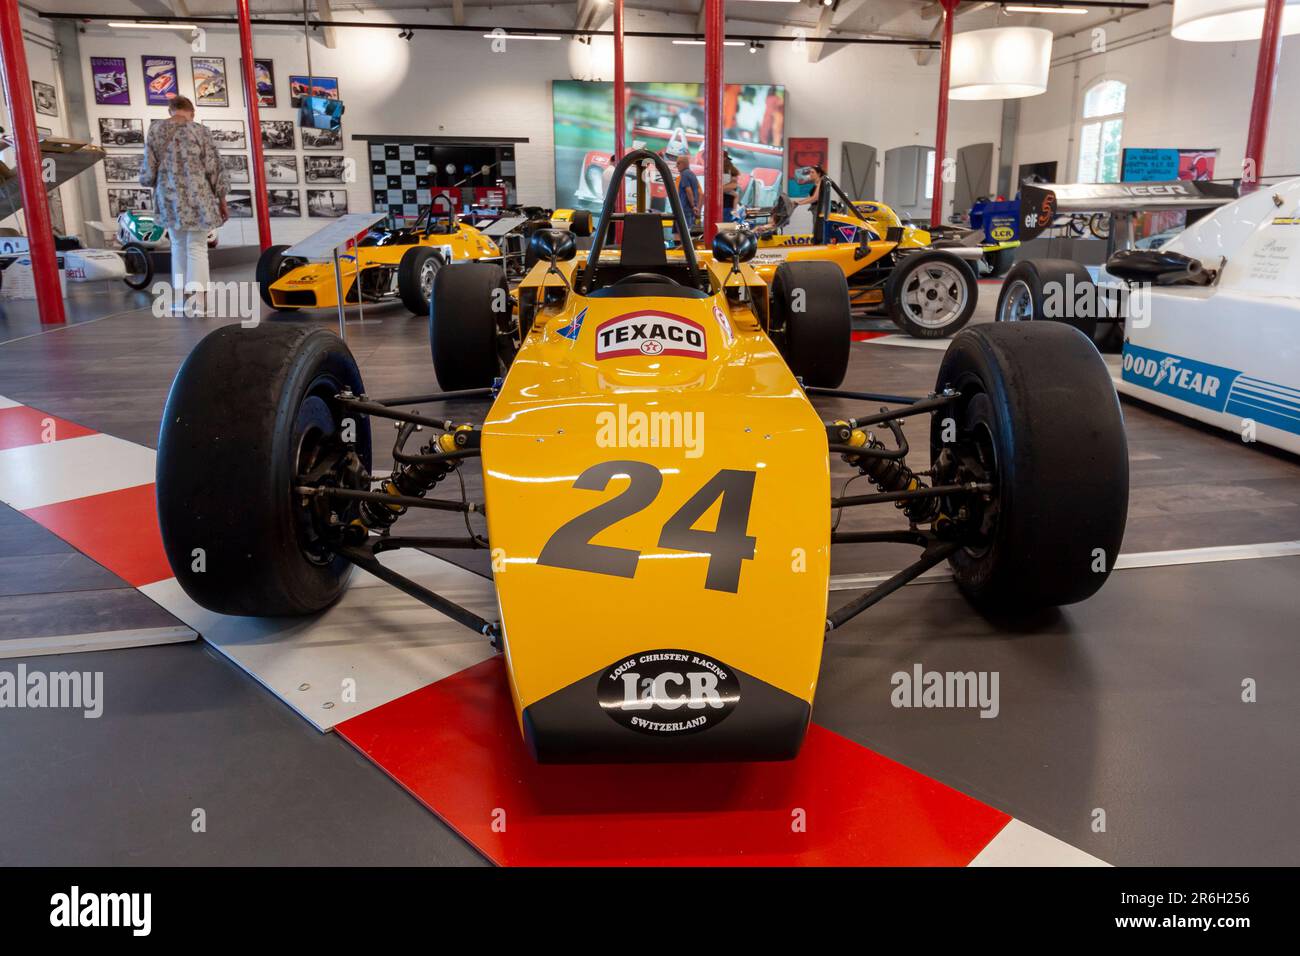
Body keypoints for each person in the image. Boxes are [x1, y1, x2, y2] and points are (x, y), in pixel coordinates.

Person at [139, 94, 228, 317]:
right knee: (197, 247)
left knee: (177, 246)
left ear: (170, 111)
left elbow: (148, 172)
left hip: (169, 197)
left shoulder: (156, 131)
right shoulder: (200, 131)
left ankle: (180, 300)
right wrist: (223, 200)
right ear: (192, 112)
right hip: (198, 197)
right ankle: (199, 302)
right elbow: (214, 167)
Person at [674, 151, 701, 235]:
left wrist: (693, 206)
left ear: (684, 164)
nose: (676, 166)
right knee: (687, 234)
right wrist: (696, 207)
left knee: (682, 234)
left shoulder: (684, 174)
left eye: (678, 163)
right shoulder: (692, 174)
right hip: (689, 210)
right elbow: (700, 193)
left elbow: (688, 190)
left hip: (684, 210)